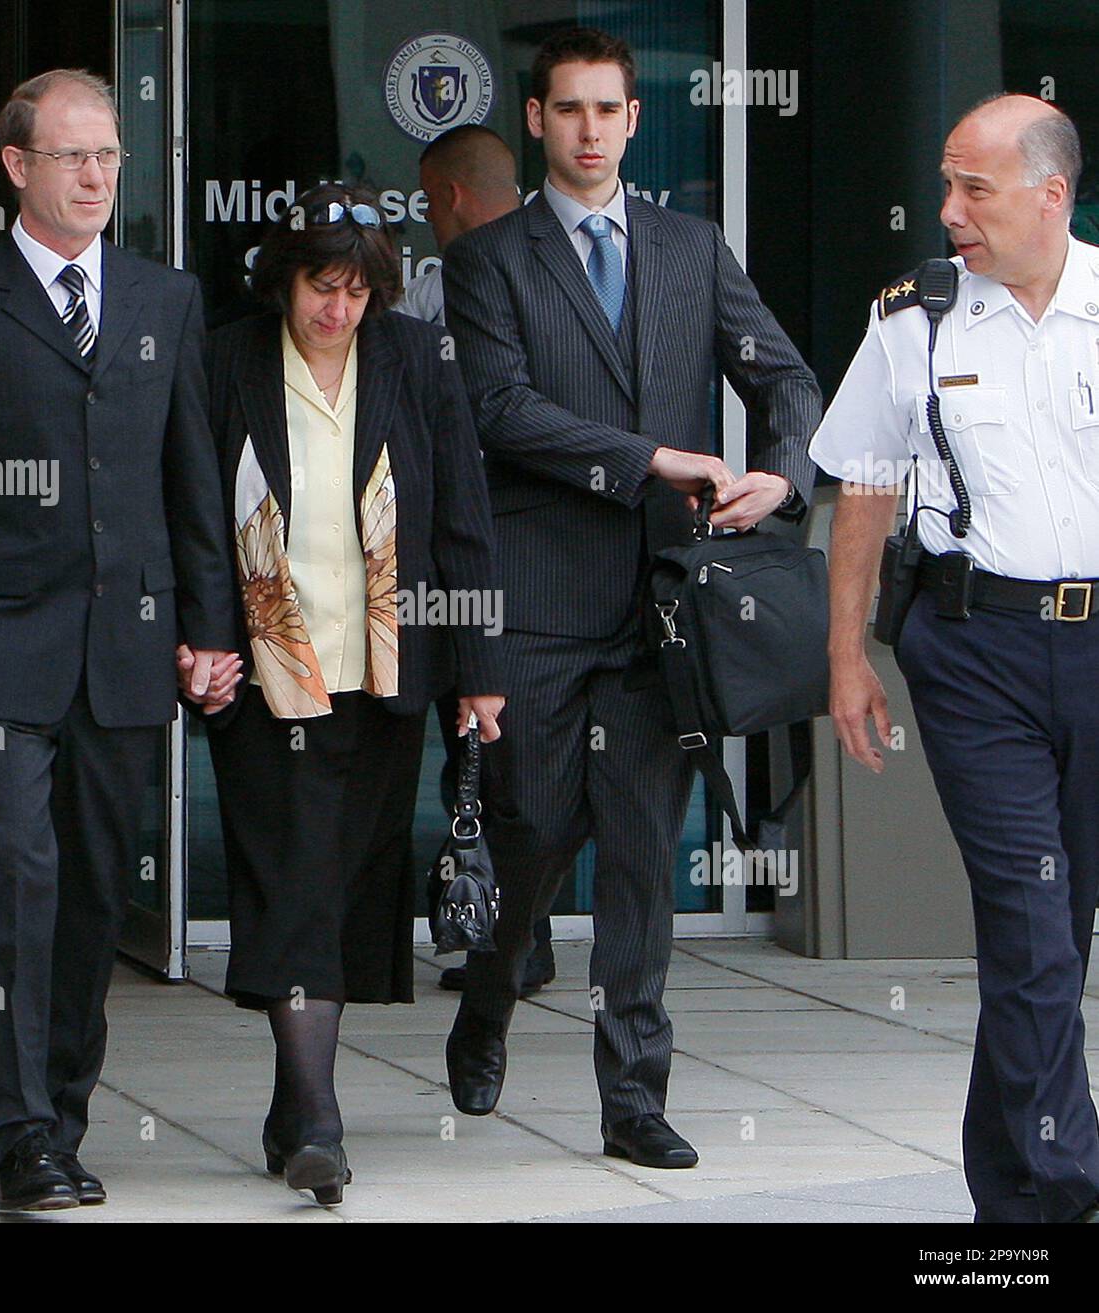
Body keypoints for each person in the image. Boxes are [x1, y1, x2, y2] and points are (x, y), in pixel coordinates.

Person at [0, 69, 239, 1213]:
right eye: (72, 156)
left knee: (90, 894)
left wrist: (211, 627)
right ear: (17, 167)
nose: (96, 176)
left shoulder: (166, 301)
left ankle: (60, 1115)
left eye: (110, 155)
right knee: (13, 873)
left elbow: (191, 484)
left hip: (128, 647)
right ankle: (16, 1134)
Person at [442, 27, 819, 1168]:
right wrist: (655, 458)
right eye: (569, 111)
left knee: (647, 849)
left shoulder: (690, 247)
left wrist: (783, 470)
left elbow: (785, 377)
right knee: (536, 831)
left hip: (666, 601)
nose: (591, 130)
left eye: (609, 109)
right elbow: (501, 412)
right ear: (538, 122)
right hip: (540, 595)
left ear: (635, 119)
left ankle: (634, 1095)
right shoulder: (489, 260)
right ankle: (490, 996)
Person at [811, 93, 1099, 1224]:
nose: (948, 212)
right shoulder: (915, 321)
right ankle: (1072, 1180)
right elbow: (864, 491)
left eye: (972, 188)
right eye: (945, 185)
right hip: (974, 647)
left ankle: (1014, 1199)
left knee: (1056, 925)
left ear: (1050, 194)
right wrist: (844, 655)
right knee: (1030, 916)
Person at [194, 181, 504, 1206]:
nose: (337, 311)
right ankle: (320, 1121)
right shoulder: (226, 357)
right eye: (320, 289)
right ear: (282, 281)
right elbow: (192, 508)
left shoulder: (415, 359)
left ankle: (294, 1101)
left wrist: (477, 670)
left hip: (382, 670)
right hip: (266, 666)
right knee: (286, 879)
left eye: (356, 291)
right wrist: (201, 638)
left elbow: (459, 510)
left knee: (341, 883)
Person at [396, 124, 556, 997]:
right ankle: (502, 925)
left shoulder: (447, 288)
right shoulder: (558, 274)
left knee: (504, 747)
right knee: (490, 748)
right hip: (496, 551)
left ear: (449, 197)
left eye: (427, 201)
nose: (428, 217)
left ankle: (512, 932)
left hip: (499, 550)